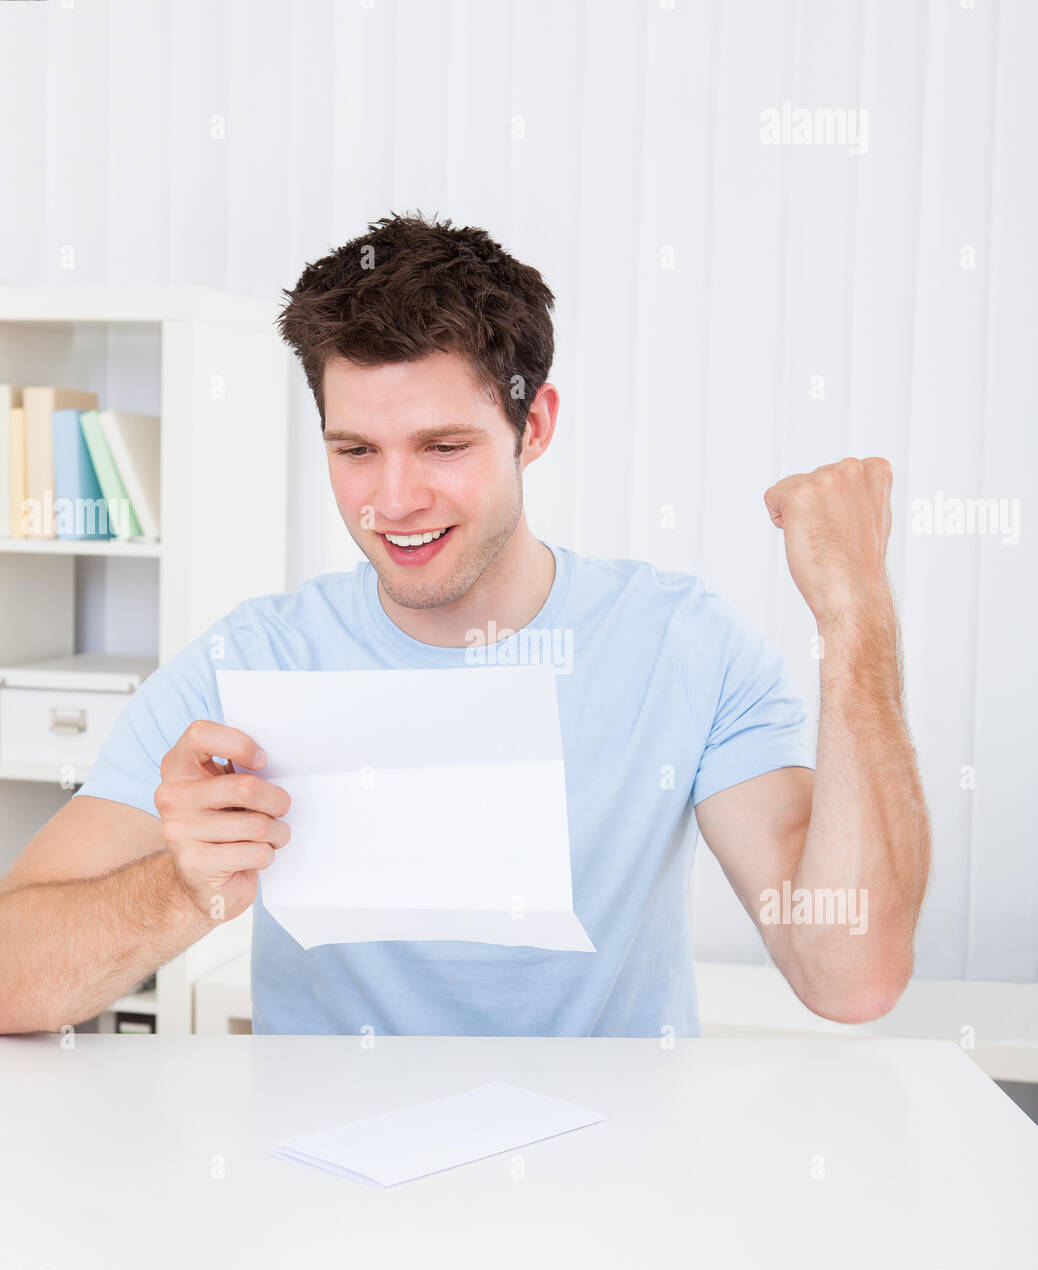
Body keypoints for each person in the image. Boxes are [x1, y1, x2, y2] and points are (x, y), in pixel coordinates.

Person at [0, 213, 930, 1036]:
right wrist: (180, 887)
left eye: (443, 446)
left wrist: (856, 614)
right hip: (320, 1161)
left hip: (618, 1163)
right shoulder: (249, 662)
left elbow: (851, 977)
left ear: (535, 427)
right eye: (355, 450)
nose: (394, 500)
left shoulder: (682, 644)